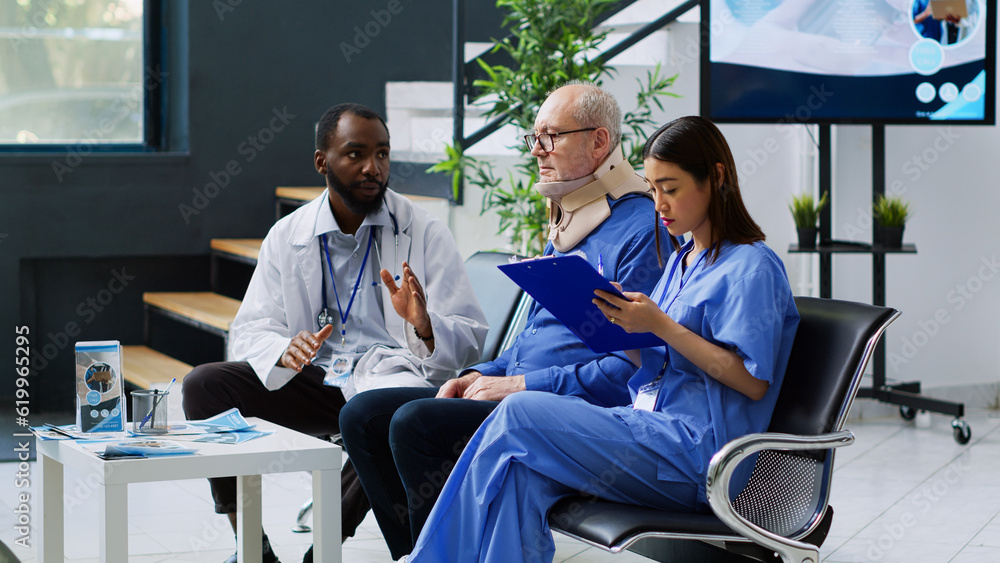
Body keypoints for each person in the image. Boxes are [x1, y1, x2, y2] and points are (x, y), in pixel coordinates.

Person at [406, 115, 801, 563]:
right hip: (651, 432)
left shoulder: (752, 266)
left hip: (701, 458)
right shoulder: (684, 261)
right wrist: (616, 327)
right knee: (521, 474)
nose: (659, 205)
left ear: (716, 177)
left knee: (519, 413)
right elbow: (660, 362)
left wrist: (661, 326)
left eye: (670, 189)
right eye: (652, 189)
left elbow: (752, 382)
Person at [339, 82, 668, 561]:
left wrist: (520, 385)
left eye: (551, 136)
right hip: (524, 389)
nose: (537, 150)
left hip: (568, 411)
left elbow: (631, 370)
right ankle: (418, 554)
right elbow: (529, 341)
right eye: (534, 136)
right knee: (363, 416)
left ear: (600, 142)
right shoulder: (575, 218)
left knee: (415, 424)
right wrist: (485, 375)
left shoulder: (641, 231)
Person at [181, 103, 488, 563]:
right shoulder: (288, 235)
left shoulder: (423, 231)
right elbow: (249, 329)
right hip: (315, 376)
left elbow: (469, 336)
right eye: (356, 154)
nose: (373, 167)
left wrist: (424, 324)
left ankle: (323, 546)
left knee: (372, 415)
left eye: (382, 154)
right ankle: (252, 548)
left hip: (390, 374)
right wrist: (284, 349)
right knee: (203, 386)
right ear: (322, 161)